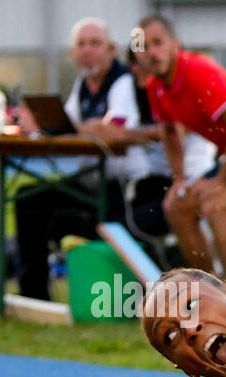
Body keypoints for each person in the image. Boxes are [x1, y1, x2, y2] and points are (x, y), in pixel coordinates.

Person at [13, 18, 144, 300]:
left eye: (95, 43)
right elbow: (70, 126)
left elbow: (114, 130)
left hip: (122, 187)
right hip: (88, 183)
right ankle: (33, 294)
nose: (87, 50)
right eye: (81, 44)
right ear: (72, 53)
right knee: (28, 200)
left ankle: (109, 295)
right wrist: (39, 127)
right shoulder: (82, 85)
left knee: (45, 206)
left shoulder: (123, 81)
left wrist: (72, 129)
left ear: (112, 49)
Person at [135, 14, 226, 285]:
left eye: (158, 43)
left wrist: (223, 180)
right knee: (176, 206)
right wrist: (180, 180)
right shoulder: (156, 86)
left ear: (176, 43)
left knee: (215, 206)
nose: (152, 53)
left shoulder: (197, 71)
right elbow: (170, 132)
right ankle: (210, 289)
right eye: (143, 47)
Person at [122, 47, 216, 257]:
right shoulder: (147, 92)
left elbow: (174, 132)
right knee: (124, 212)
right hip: (164, 180)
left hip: (193, 178)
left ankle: (189, 272)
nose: (135, 70)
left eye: (138, 64)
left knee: (134, 223)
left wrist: (180, 179)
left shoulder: (176, 89)